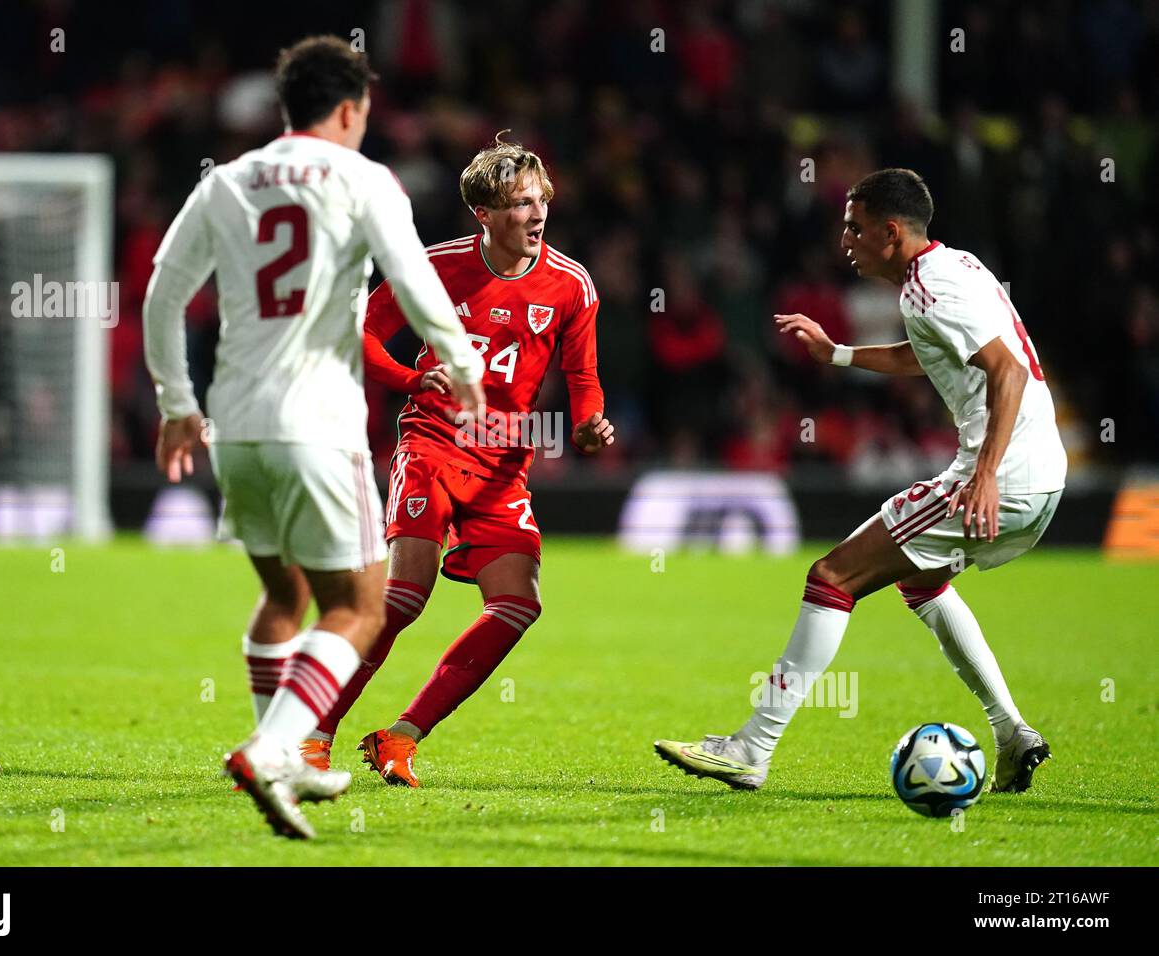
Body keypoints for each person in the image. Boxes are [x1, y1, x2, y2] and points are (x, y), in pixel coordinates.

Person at [142, 35, 484, 838]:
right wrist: (463, 361)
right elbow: (413, 279)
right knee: (360, 606)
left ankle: (285, 763)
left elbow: (162, 292)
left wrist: (174, 403)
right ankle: (271, 748)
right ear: (347, 109)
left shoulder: (226, 182)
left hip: (237, 426)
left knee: (282, 595)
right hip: (320, 426)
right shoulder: (363, 178)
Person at [656, 168, 1066, 794]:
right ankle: (1012, 734)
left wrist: (983, 477)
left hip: (1003, 473)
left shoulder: (934, 287)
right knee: (922, 584)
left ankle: (751, 747)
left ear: (891, 231)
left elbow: (1005, 371)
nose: (843, 238)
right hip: (1039, 473)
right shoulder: (950, 271)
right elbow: (927, 353)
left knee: (831, 576)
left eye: (855, 226)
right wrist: (838, 354)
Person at [301, 134, 615, 787]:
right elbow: (358, 333)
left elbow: (582, 376)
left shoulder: (571, 286)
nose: (536, 215)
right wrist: (412, 380)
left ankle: (400, 737)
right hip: (434, 442)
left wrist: (587, 423)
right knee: (405, 596)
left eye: (541, 201)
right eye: (521, 203)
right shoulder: (433, 267)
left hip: (503, 462)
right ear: (484, 212)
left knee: (516, 607)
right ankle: (311, 736)